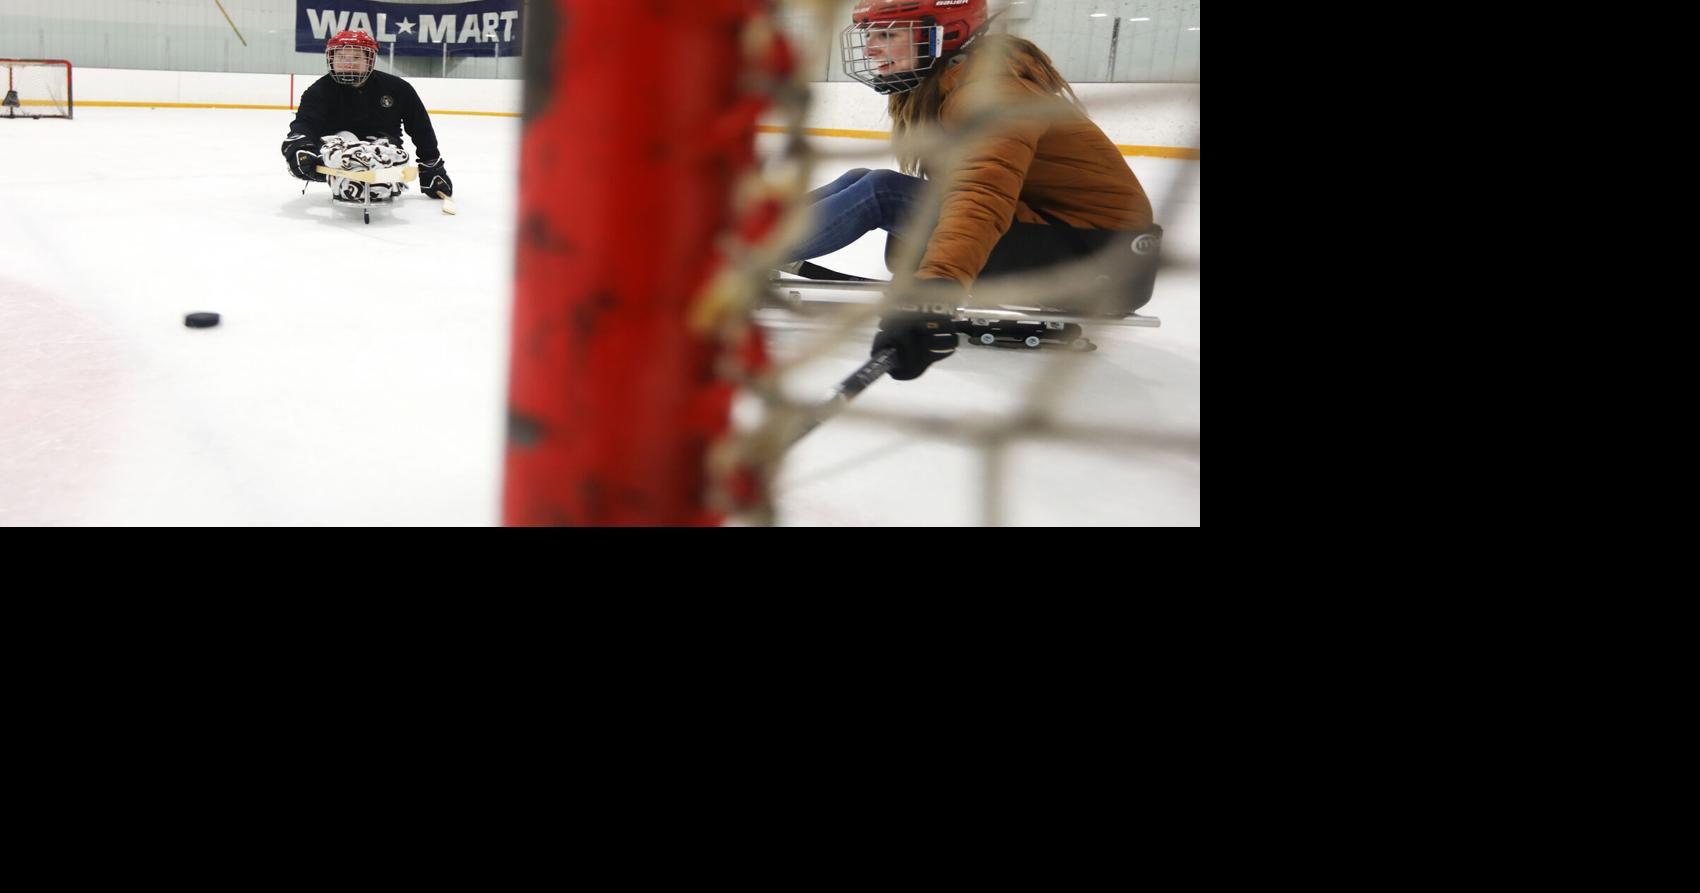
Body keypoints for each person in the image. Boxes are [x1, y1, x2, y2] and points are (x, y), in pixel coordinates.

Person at [798, 0, 1158, 380]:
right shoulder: (963, 84)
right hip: (1071, 241)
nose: (871, 47)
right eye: (870, 34)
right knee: (863, 177)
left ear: (940, 37)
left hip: (1094, 259)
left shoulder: (992, 96)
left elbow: (981, 197)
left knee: (882, 191)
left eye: (887, 34)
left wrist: (936, 292)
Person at [281, 31, 454, 205]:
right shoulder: (317, 91)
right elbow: (305, 123)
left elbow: (420, 127)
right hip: (338, 148)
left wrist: (431, 163)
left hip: (384, 148)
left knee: (381, 158)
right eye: (341, 57)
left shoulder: (398, 88)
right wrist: (299, 146)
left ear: (369, 60)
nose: (348, 63)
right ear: (331, 59)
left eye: (356, 58)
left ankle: (377, 177)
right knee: (344, 138)